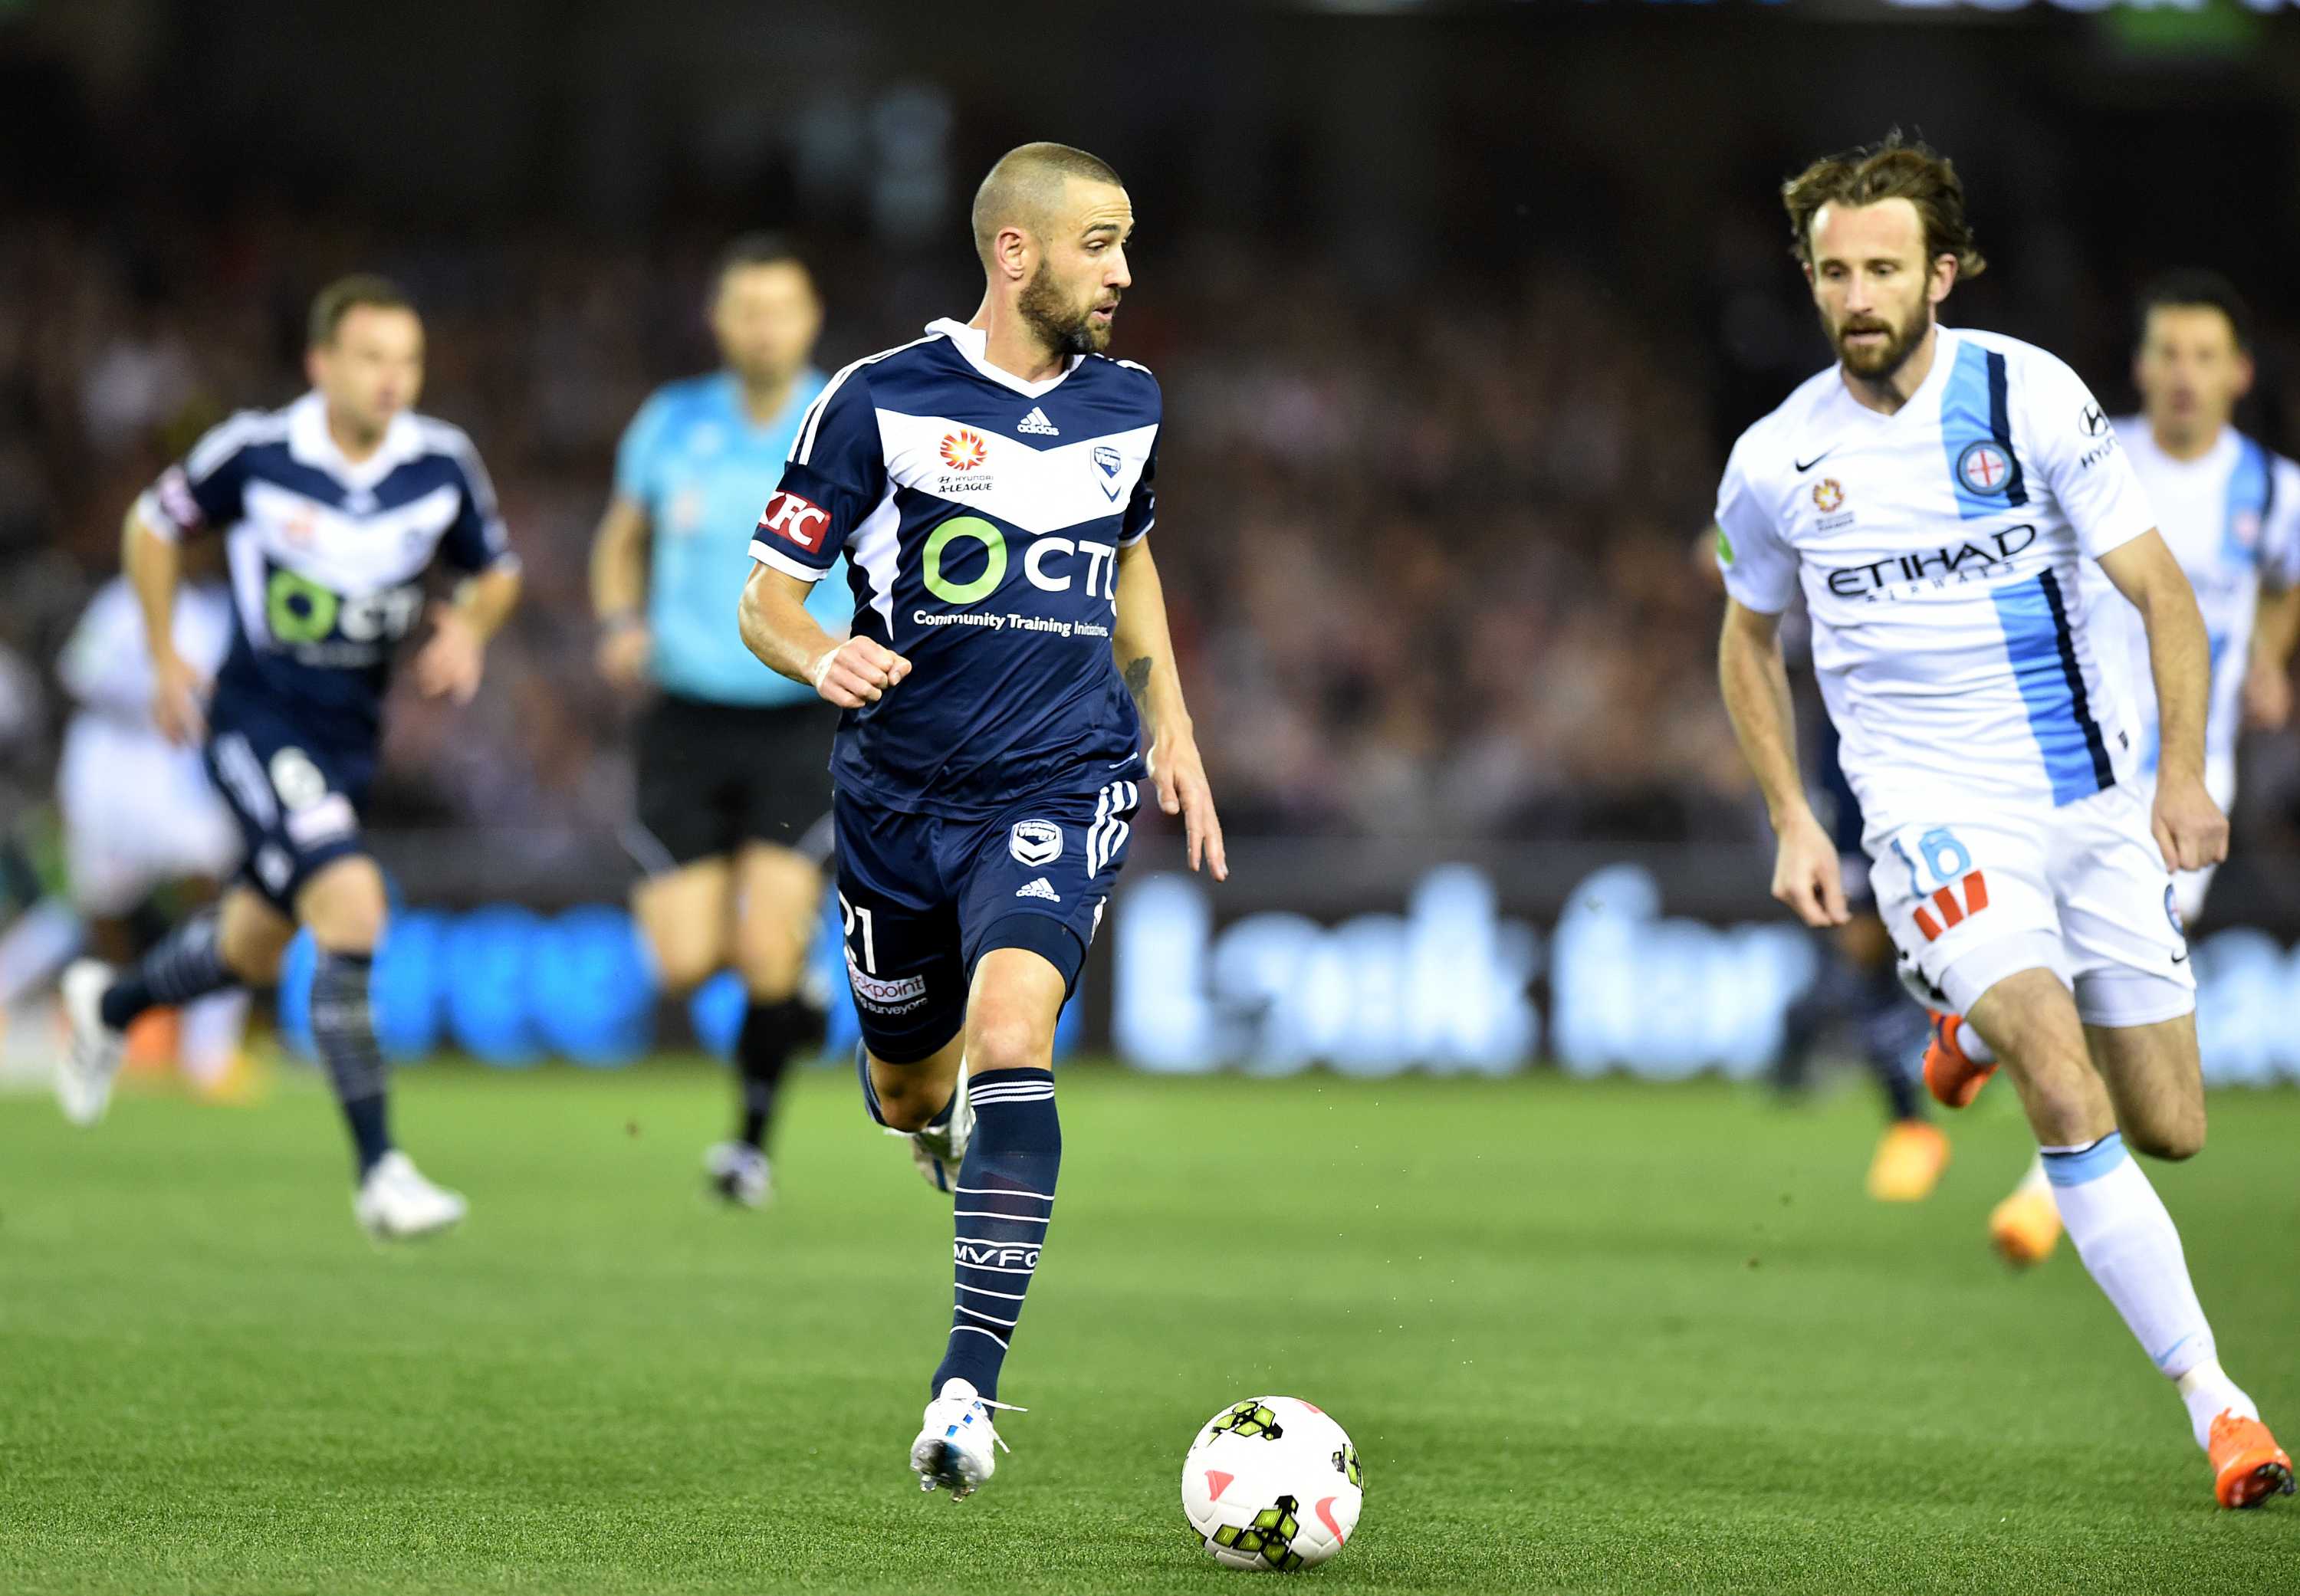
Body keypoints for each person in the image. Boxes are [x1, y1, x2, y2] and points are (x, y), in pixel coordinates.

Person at [1712, 133, 2290, 1509]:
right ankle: (2224, 1406)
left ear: (1943, 273)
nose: (1859, 295)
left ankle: (1958, 1026)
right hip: (1926, 814)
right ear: (1810, 279)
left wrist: (2184, 779)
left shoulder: (2030, 397)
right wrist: (1794, 813)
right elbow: (1744, 641)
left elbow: (2162, 593)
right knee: (2058, 1064)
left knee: (2175, 1125)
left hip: (2086, 801)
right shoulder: (1778, 458)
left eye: (1885, 269)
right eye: (1835, 271)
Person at [737, 141, 1225, 1498]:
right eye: (1101, 244)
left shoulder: (1130, 401)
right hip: (894, 795)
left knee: (1015, 1031)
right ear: (1016, 253)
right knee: (911, 1085)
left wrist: (1170, 719)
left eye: (1128, 244)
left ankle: (968, 1389)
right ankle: (933, 1112)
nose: (1124, 272)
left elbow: (1129, 558)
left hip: (1062, 775)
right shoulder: (878, 400)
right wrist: (817, 654)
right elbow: (764, 598)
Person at [55, 275, 522, 1241]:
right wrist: (163, 651)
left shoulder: (440, 463)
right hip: (256, 720)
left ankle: (112, 1004)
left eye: (408, 361)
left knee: (251, 945)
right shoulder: (257, 451)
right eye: (371, 357)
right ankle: (381, 1171)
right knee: (354, 903)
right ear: (321, 364)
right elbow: (153, 525)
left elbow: (497, 571)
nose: (393, 379)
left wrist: (471, 628)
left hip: (351, 738)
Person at [1968, 270, 2300, 1268]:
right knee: (2043, 969)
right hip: (2064, 759)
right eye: (2169, 354)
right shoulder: (2091, 457)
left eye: (2206, 356)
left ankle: (2043, 1186)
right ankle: (1972, 1046)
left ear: (2239, 372)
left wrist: (2273, 658)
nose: (2186, 375)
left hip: (2181, 782)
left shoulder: (2272, 490)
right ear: (2140, 366)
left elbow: (2286, 581)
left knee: (2112, 986)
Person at [592, 235, 846, 1207]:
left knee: (767, 945)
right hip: (686, 719)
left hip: (798, 716)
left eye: (779, 308)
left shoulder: (844, 417)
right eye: (745, 308)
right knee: (686, 958)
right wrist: (619, 621)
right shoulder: (671, 421)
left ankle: (749, 1148)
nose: (763, 326)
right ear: (719, 319)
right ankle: (800, 995)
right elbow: (622, 537)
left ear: (810, 317)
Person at [55, 566, 250, 1093]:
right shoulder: (122, 600)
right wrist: (153, 689)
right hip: (111, 768)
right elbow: (79, 670)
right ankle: (114, 1029)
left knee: (217, 881)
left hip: (174, 772)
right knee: (103, 909)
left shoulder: (212, 612)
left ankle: (209, 1051)